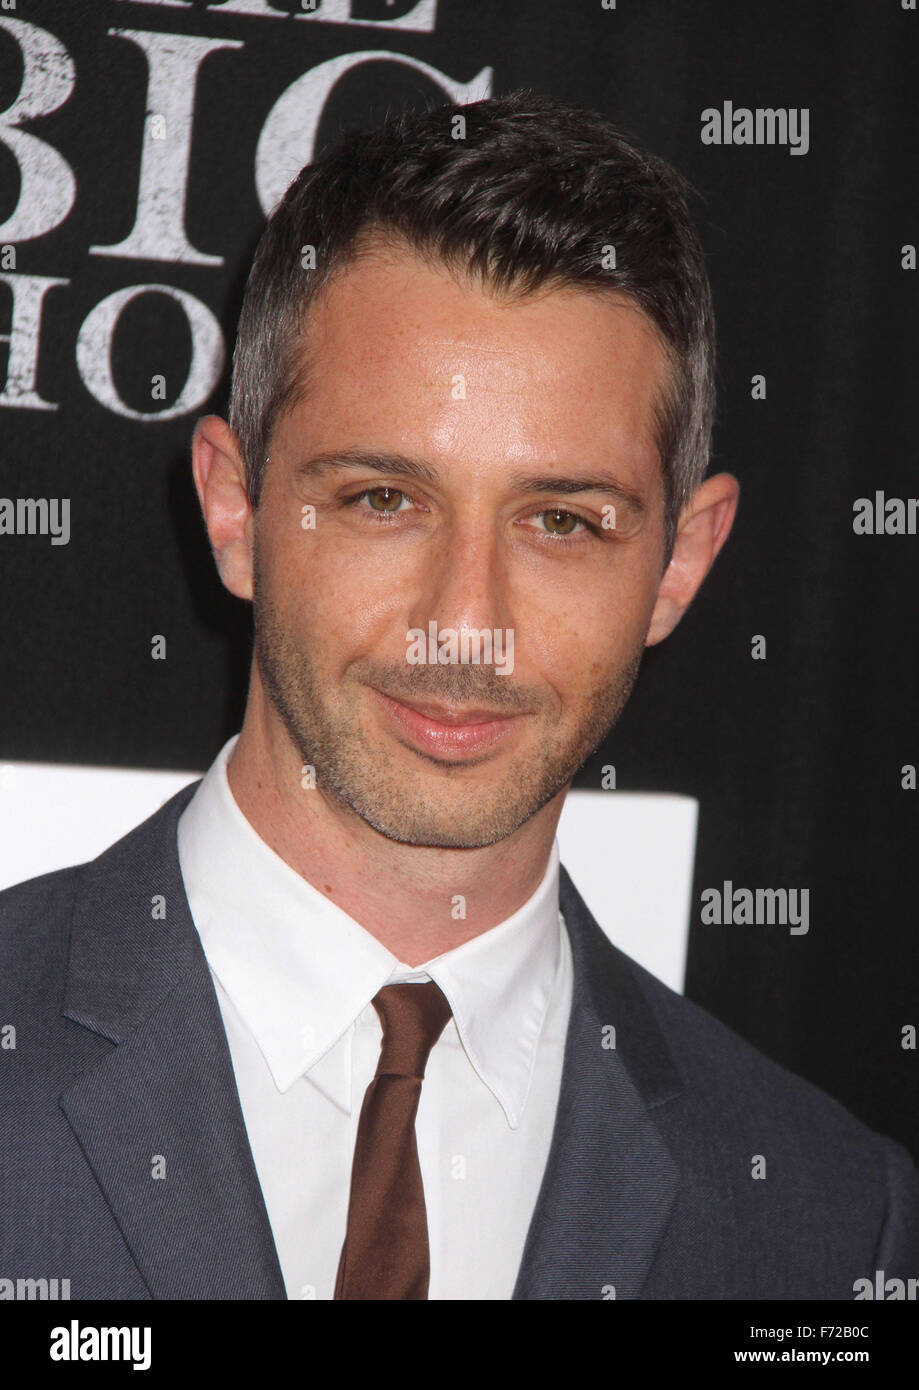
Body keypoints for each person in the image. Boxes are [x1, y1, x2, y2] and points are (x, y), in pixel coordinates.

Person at [2, 91, 916, 1302]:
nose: (465, 619)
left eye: (562, 521)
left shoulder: (832, 1223)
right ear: (236, 511)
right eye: (385, 498)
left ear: (681, 564)